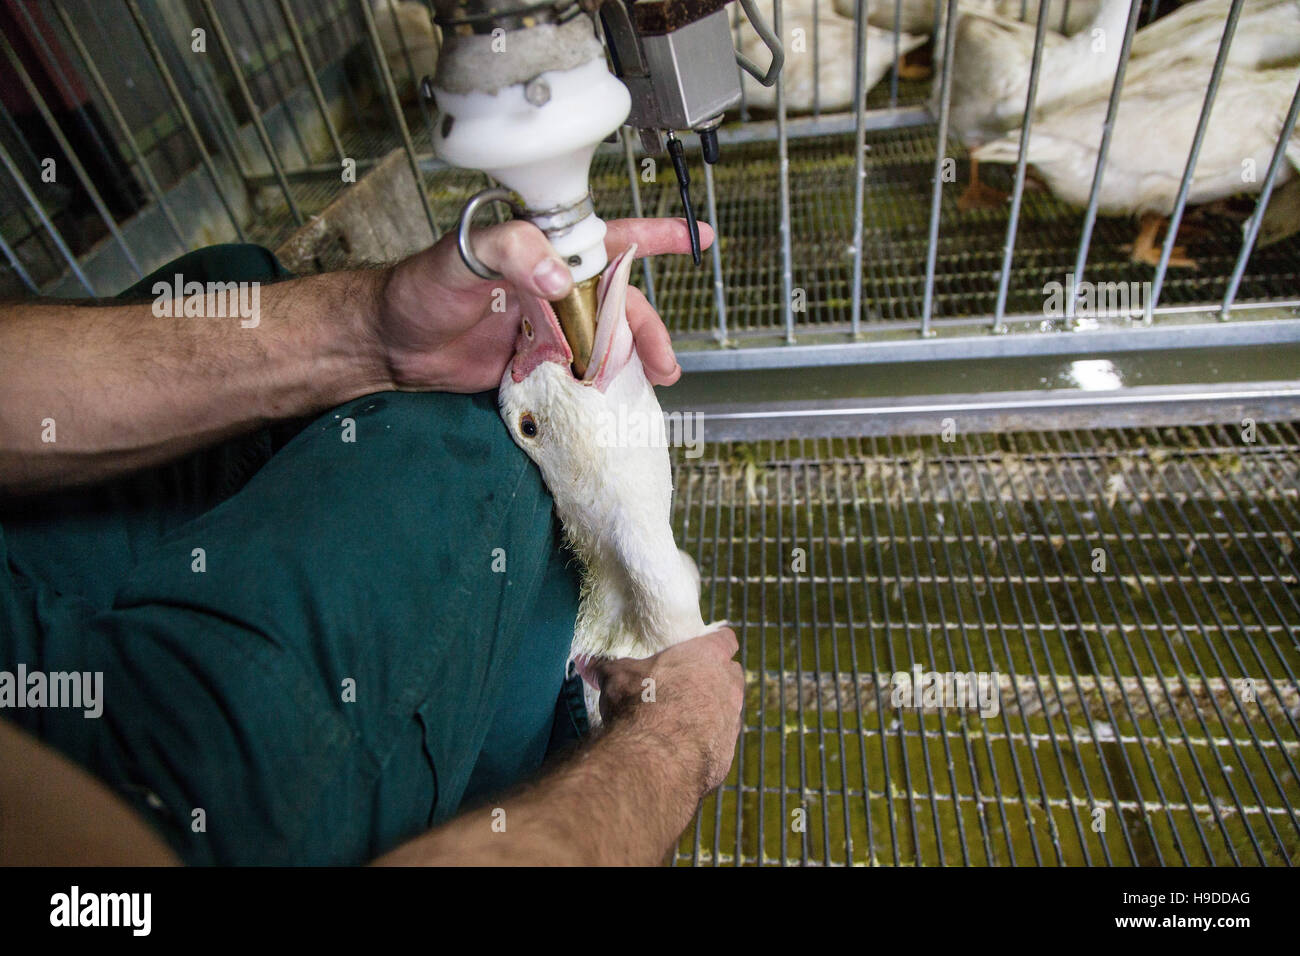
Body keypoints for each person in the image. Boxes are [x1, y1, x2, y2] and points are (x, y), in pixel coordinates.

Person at [0, 217, 744, 866]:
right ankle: (515, 745)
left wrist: (364, 333)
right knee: (475, 458)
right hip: (109, 826)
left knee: (233, 281)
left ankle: (502, 709)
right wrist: (673, 745)